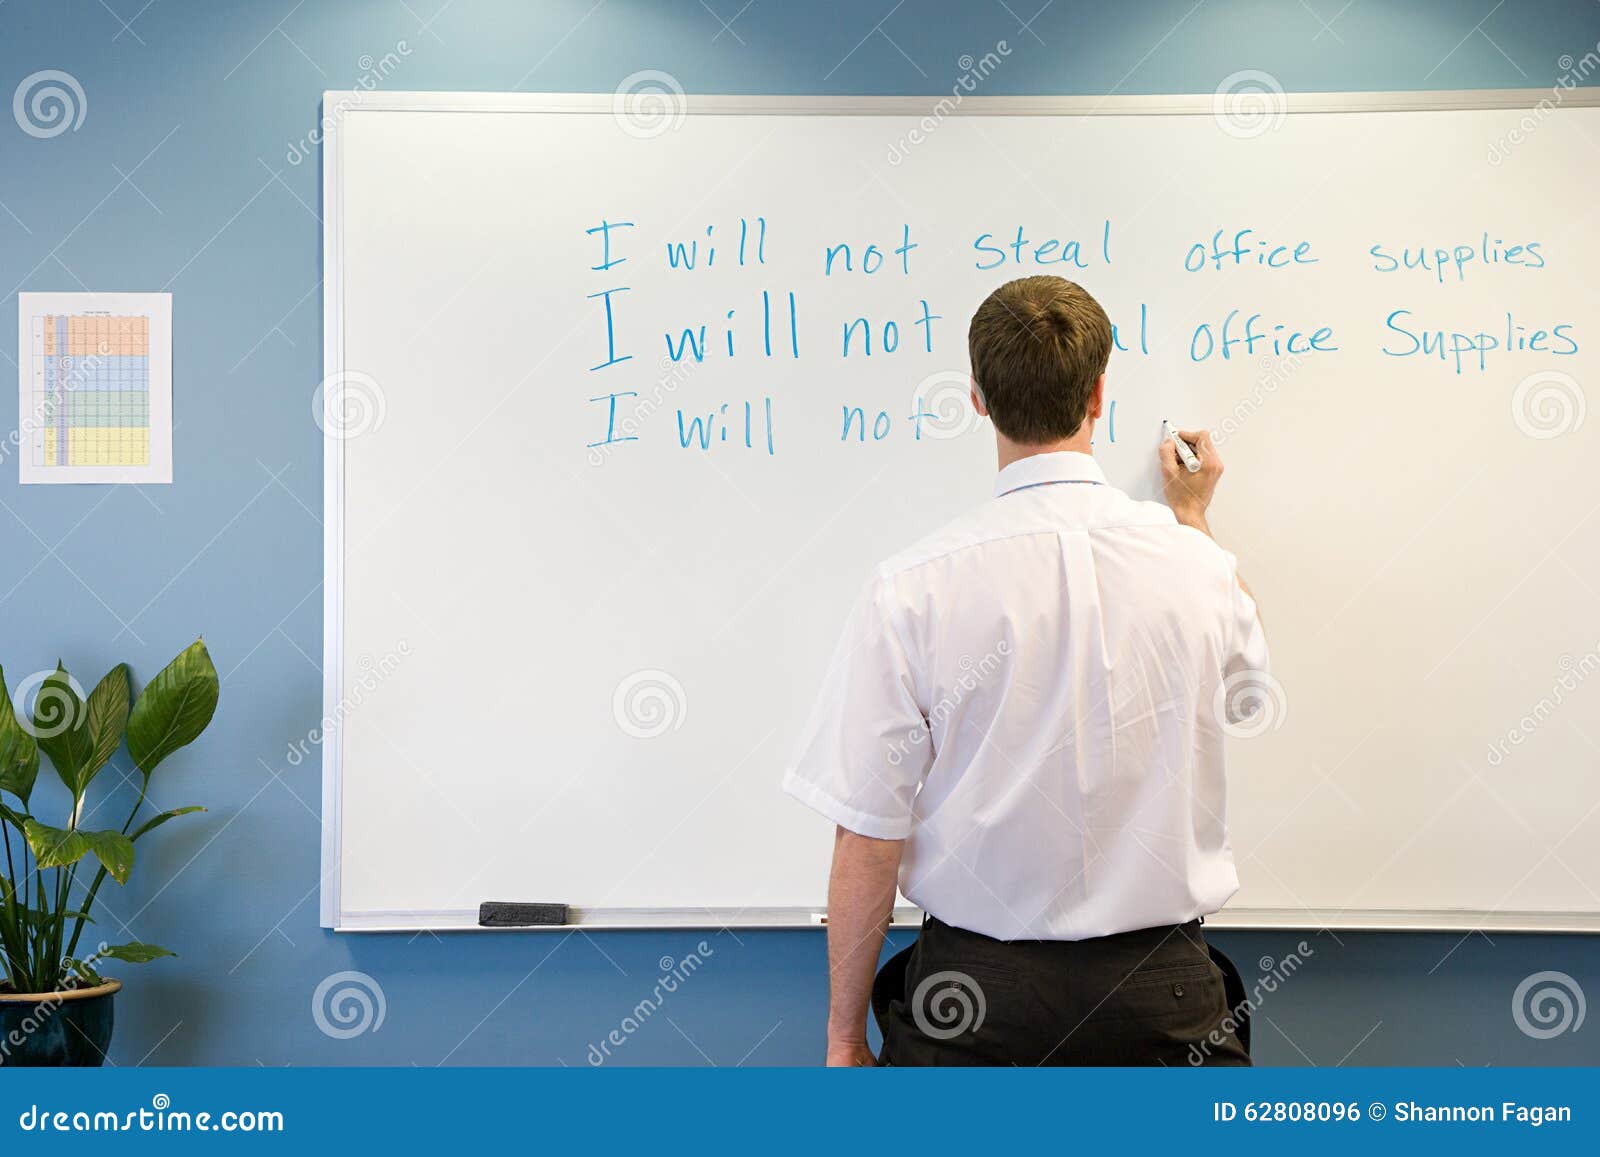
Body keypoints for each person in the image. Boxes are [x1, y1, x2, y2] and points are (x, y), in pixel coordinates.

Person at [782, 275, 1268, 1066]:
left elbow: (867, 835)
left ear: (976, 398)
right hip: (1165, 997)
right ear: (1100, 394)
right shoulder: (1196, 567)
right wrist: (1194, 516)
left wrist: (842, 1039)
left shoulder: (912, 586)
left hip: (974, 1003)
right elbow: (1249, 685)